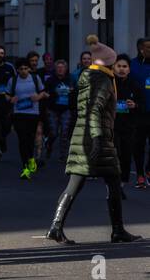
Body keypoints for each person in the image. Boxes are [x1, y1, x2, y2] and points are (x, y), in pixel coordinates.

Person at [47, 36, 142, 245]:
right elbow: (95, 110)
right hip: (95, 138)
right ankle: (116, 231)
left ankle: (57, 226)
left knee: (87, 183)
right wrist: (98, 138)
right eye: (112, 61)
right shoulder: (102, 80)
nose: (115, 65)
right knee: (107, 183)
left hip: (84, 136)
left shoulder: (88, 77)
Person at [10, 59, 46, 179]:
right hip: (18, 113)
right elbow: (6, 94)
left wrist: (38, 97)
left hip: (32, 113)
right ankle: (25, 167)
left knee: (30, 139)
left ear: (29, 69)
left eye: (26, 68)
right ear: (17, 70)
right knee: (22, 139)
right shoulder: (13, 80)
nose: (24, 71)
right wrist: (10, 99)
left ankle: (31, 159)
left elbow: (43, 92)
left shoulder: (35, 79)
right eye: (21, 69)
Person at [112, 54, 141, 189]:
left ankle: (122, 183)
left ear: (129, 69)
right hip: (112, 126)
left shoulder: (134, 85)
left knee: (126, 155)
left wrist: (134, 105)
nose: (121, 69)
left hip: (129, 126)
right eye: (119, 66)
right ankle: (114, 183)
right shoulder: (109, 84)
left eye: (125, 66)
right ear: (113, 68)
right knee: (115, 153)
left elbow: (142, 104)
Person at [43, 58, 76, 164]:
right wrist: (54, 92)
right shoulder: (50, 80)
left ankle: (63, 155)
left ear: (66, 69)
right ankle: (49, 144)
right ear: (55, 69)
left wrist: (72, 91)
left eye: (63, 68)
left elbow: (76, 91)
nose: (60, 70)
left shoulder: (71, 79)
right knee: (54, 132)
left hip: (66, 108)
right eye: (58, 68)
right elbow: (45, 93)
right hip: (53, 108)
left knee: (65, 133)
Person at [129, 39, 150, 189]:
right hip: (138, 112)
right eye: (148, 47)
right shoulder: (132, 64)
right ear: (141, 49)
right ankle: (141, 174)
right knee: (139, 144)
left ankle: (149, 170)